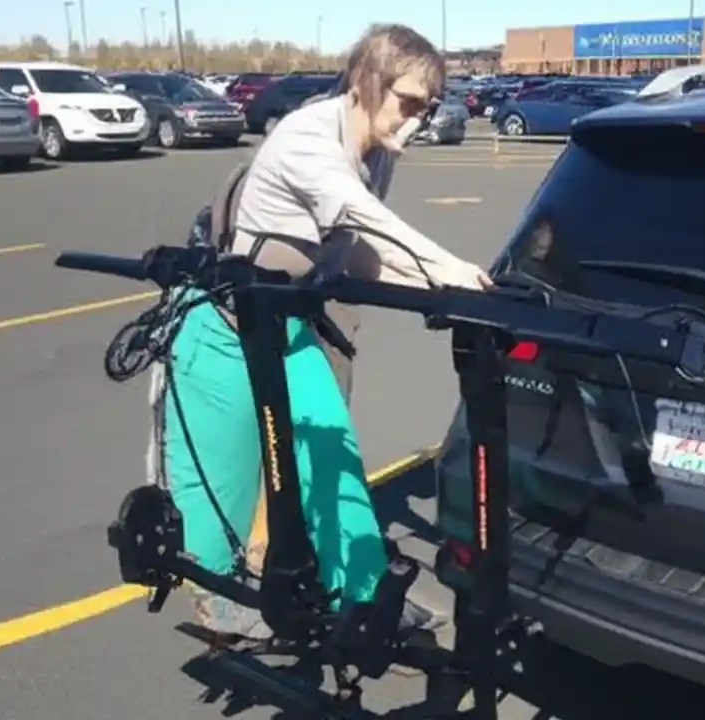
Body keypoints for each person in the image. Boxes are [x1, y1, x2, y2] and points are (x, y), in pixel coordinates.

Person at [155, 23, 490, 644]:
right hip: (223, 325)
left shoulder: (376, 152)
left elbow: (358, 252)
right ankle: (222, 607)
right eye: (409, 103)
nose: (417, 120)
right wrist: (450, 270)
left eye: (429, 108)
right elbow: (367, 220)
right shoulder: (307, 136)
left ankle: (362, 593)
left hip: (286, 325)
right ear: (367, 81)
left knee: (332, 456)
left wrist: (448, 292)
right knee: (220, 490)